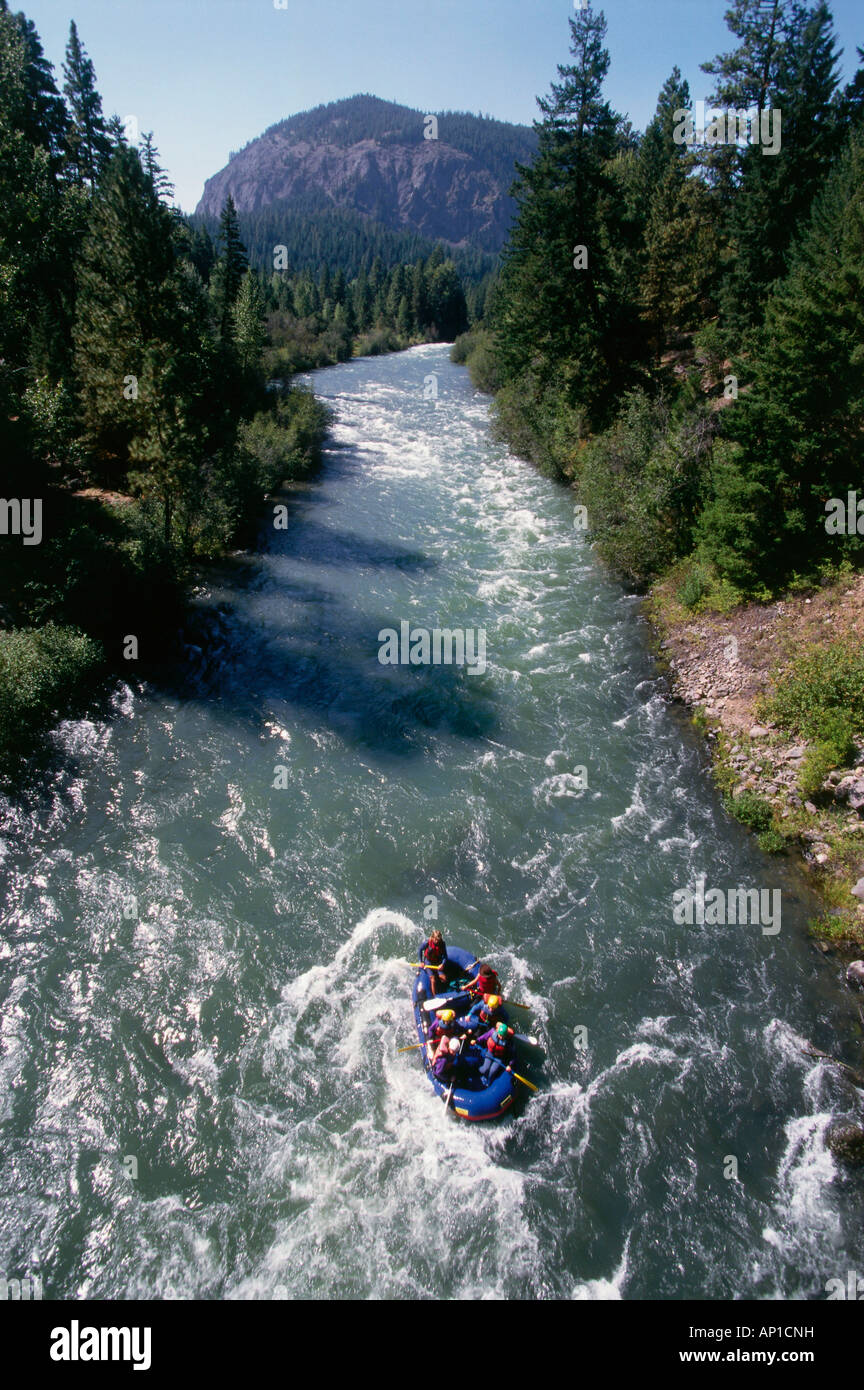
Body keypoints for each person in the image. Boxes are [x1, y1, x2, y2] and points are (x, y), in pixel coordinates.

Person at [474, 1021, 515, 1085]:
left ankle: (488, 1082)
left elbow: (513, 1055)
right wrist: (476, 1041)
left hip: (499, 1057)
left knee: (492, 1072)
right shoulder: (492, 1032)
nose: (501, 1037)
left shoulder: (509, 1042)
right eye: (500, 1035)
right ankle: (477, 1072)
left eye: (503, 1036)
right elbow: (484, 1036)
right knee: (485, 1069)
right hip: (490, 1053)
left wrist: (510, 1065)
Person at [418, 930, 451, 995]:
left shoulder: (442, 944)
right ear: (432, 938)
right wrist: (421, 961)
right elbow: (420, 950)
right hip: (428, 962)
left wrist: (442, 964)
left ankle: (443, 990)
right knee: (433, 980)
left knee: (444, 978)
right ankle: (435, 996)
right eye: (435, 939)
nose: (437, 941)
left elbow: (445, 956)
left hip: (437, 962)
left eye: (438, 940)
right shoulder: (427, 943)